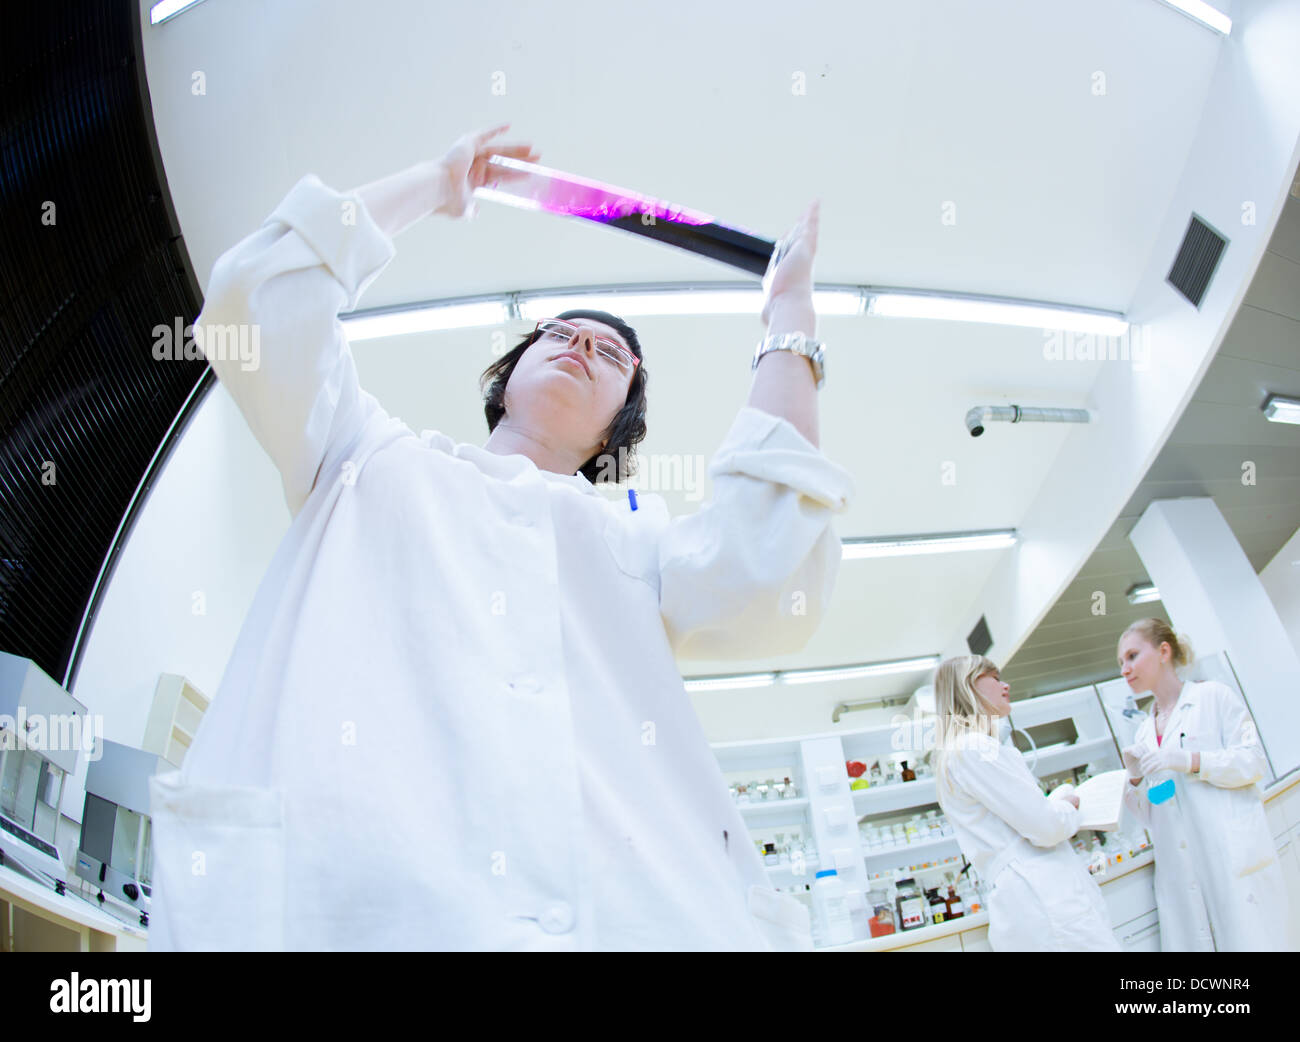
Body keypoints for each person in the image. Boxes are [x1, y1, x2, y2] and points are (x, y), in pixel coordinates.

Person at [147, 123, 855, 951]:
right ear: (505, 377)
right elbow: (255, 300)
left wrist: (790, 312)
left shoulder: (639, 536)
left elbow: (768, 572)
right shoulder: (361, 452)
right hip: (356, 910)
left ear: (617, 431)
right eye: (559, 334)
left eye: (614, 354)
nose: (584, 345)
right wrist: (434, 185)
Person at [1117, 618, 1289, 951]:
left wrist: (1192, 761)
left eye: (1133, 656)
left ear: (1164, 651)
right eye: (1121, 662)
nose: (1125, 668)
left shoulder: (1213, 697)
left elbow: (1252, 762)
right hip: (1186, 872)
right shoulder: (1142, 732)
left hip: (1231, 859)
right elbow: (1160, 806)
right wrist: (1136, 780)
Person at [932, 655, 1120, 951]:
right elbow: (1046, 828)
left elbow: (1027, 818)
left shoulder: (967, 751)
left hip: (1033, 895)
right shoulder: (974, 748)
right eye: (994, 677)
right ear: (967, 685)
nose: (1005, 685)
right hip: (1042, 897)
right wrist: (1067, 805)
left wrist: (1054, 804)